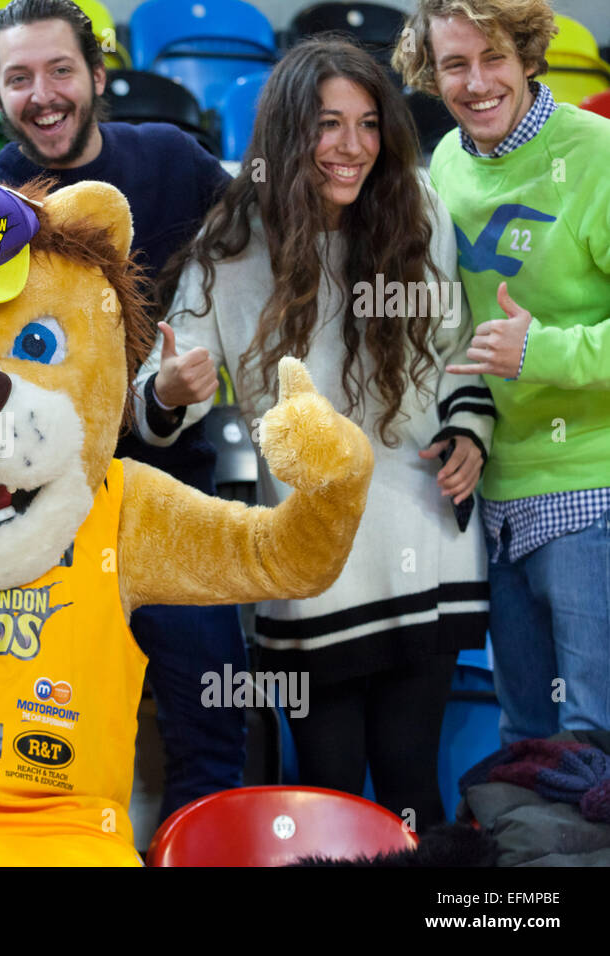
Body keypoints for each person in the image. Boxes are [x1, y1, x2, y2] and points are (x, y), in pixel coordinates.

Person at [138, 38, 493, 828]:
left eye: (369, 124)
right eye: (329, 124)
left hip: (426, 534)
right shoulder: (231, 244)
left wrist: (469, 431)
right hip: (312, 564)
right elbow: (165, 392)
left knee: (411, 798)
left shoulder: (419, 209)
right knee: (329, 805)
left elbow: (457, 347)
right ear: (290, 131)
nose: (353, 147)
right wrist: (169, 389)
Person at [0, 0, 243, 822]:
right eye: (18, 79)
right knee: (39, 742)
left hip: (174, 498)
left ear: (97, 76)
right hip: (36, 517)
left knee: (213, 729)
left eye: (60, 71)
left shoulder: (170, 157)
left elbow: (275, 240)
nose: (42, 95)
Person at [395, 0, 610, 741]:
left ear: (527, 58)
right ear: (432, 71)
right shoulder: (448, 162)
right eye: (455, 64)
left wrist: (541, 352)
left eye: (493, 59)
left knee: (593, 744)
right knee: (524, 738)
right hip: (499, 502)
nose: (476, 82)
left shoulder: (597, 155)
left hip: (593, 491)